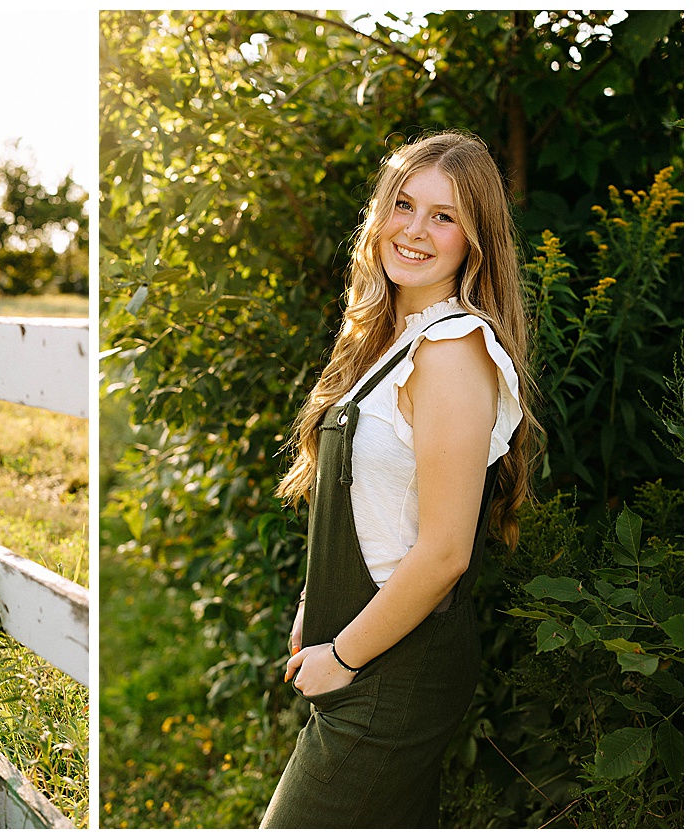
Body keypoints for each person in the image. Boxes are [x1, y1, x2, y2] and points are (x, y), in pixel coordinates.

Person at [260, 131, 540, 828]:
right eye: (404, 204)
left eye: (443, 216)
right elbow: (369, 504)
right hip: (362, 651)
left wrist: (344, 653)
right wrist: (312, 601)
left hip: (394, 669)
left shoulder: (452, 351)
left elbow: (446, 551)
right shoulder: (397, 336)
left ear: (474, 241)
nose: (414, 230)